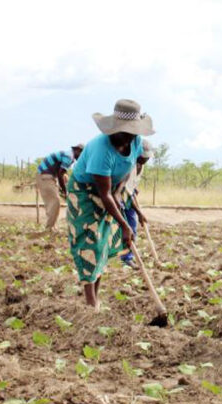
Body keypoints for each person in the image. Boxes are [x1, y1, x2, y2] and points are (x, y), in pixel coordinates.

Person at [66, 99, 153, 310]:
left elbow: (126, 170)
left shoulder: (136, 143)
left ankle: (96, 297)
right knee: (89, 244)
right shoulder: (101, 150)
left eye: (133, 132)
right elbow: (103, 194)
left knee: (103, 244)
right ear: (114, 128)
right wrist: (124, 224)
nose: (130, 136)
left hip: (110, 192)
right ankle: (90, 303)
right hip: (85, 194)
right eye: (126, 132)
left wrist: (119, 191)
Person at [119, 140, 154, 268]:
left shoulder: (141, 166)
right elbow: (126, 193)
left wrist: (135, 189)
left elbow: (132, 187)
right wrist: (140, 213)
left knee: (131, 226)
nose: (147, 159)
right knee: (125, 228)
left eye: (148, 157)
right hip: (118, 196)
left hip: (128, 195)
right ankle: (125, 256)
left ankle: (127, 257)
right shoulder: (129, 165)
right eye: (145, 156)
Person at [37, 144, 84, 231]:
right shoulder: (69, 156)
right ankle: (49, 228)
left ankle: (52, 226)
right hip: (45, 176)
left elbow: (63, 174)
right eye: (82, 154)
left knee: (56, 200)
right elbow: (60, 173)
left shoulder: (69, 156)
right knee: (55, 201)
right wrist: (64, 190)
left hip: (49, 176)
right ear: (77, 150)